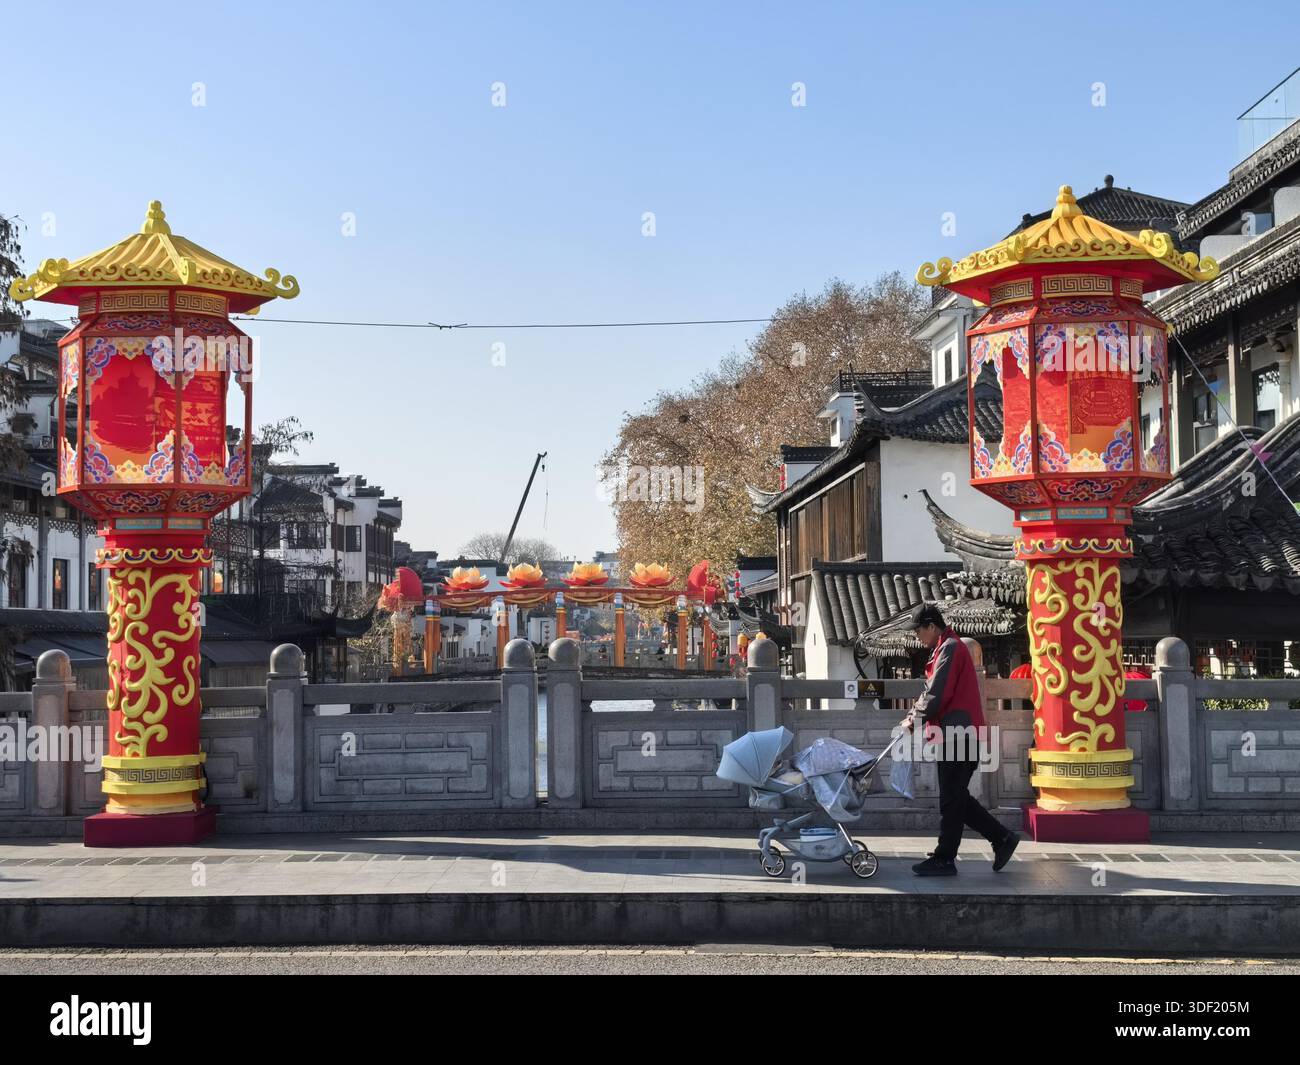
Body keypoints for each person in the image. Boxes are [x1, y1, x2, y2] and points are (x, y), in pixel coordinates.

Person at [898, 603, 1019, 876]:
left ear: (931, 626)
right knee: (956, 798)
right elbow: (932, 692)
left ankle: (946, 858)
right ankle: (1001, 839)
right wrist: (913, 715)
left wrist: (914, 720)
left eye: (918, 630)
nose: (917, 636)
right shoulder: (943, 649)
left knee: (952, 800)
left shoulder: (950, 648)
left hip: (958, 735)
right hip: (954, 734)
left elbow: (937, 694)